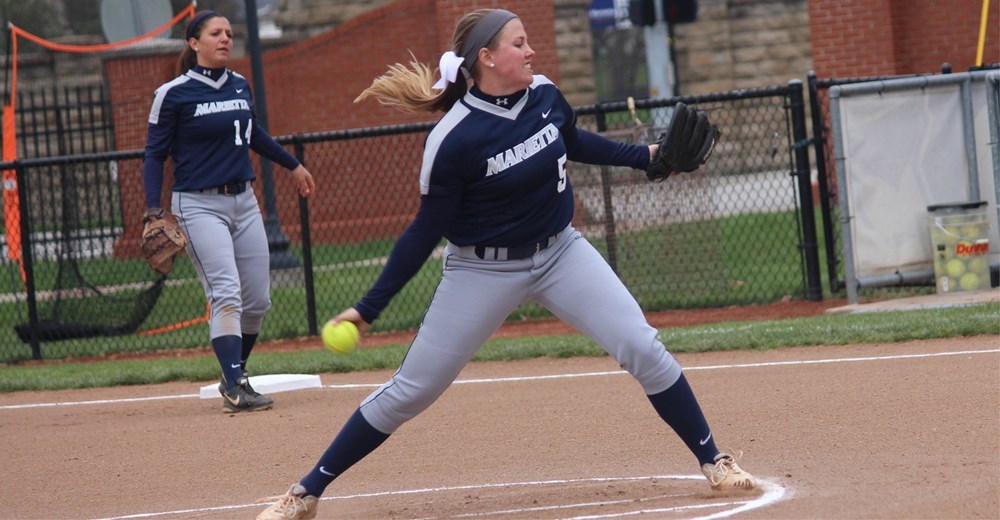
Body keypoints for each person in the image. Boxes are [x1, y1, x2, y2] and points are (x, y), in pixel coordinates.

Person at [256, 8, 754, 518]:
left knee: (642, 346)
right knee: (412, 390)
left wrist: (646, 156)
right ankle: (306, 492)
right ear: (487, 58)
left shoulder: (544, 94)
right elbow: (425, 230)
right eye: (518, 43)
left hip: (561, 253)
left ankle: (713, 459)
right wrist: (368, 308)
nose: (530, 51)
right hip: (482, 271)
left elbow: (574, 141)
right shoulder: (454, 138)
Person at [142, 10, 315, 413]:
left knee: (257, 301)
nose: (225, 39)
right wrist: (153, 209)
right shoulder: (173, 93)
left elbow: (253, 134)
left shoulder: (239, 84)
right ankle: (236, 386)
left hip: (244, 200)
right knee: (225, 292)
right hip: (198, 204)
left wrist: (292, 164)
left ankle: (234, 372)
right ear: (194, 43)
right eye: (215, 33)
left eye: (229, 33)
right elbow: (154, 154)